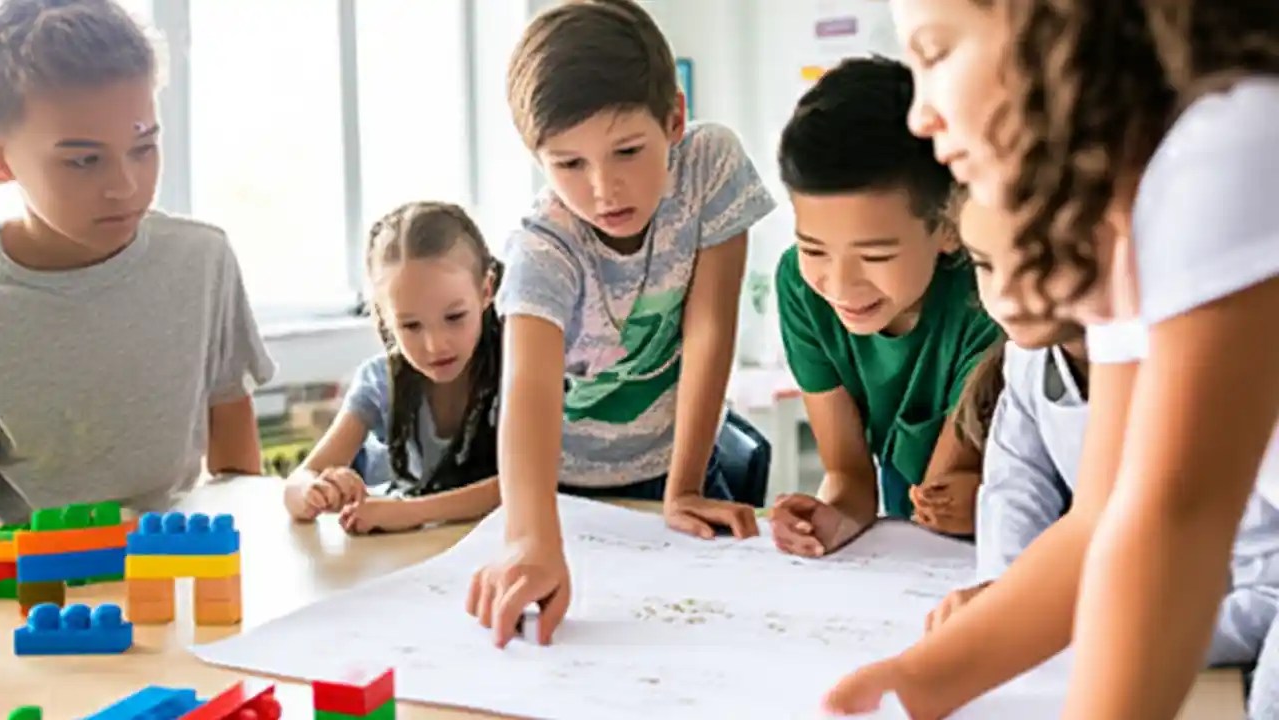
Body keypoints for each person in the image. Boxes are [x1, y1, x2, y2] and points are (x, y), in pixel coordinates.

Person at [823, 2, 1279, 718]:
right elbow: (1102, 519)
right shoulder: (1130, 214)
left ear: (1055, 27)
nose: (921, 116)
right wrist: (926, 677)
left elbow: (1177, 520)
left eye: (936, 55)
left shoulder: (1229, 142)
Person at [467, 0, 777, 647]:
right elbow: (527, 388)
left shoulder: (709, 165)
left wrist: (685, 483)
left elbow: (710, 328)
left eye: (628, 150)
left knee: (713, 637)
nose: (604, 188)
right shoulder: (542, 248)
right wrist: (530, 536)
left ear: (675, 118)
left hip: (678, 468)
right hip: (565, 493)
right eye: (569, 164)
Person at [931, 191, 1279, 711]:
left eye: (1034, 262)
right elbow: (1015, 487)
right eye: (983, 264)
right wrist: (1004, 601)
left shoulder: (1218, 370)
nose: (1004, 292)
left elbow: (1267, 588)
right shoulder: (1028, 361)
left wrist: (1079, 629)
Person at [0, 0, 274, 523]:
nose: (125, 186)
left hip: (176, 574)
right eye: (84, 160)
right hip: (30, 589)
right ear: (3, 160)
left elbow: (237, 467)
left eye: (143, 147)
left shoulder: (203, 261)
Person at [769, 57, 1002, 558]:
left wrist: (980, 503)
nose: (840, 285)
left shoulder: (983, 294)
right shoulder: (800, 288)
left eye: (875, 256)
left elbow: (941, 493)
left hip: (996, 541)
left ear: (948, 227)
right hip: (911, 536)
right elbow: (849, 477)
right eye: (813, 249)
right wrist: (829, 519)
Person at [283, 202, 504, 534]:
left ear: (486, 291)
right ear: (384, 317)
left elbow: (525, 482)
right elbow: (299, 480)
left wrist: (409, 512)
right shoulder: (379, 382)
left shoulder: (520, 369)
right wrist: (314, 492)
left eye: (455, 317)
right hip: (417, 559)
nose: (435, 345)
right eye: (411, 326)